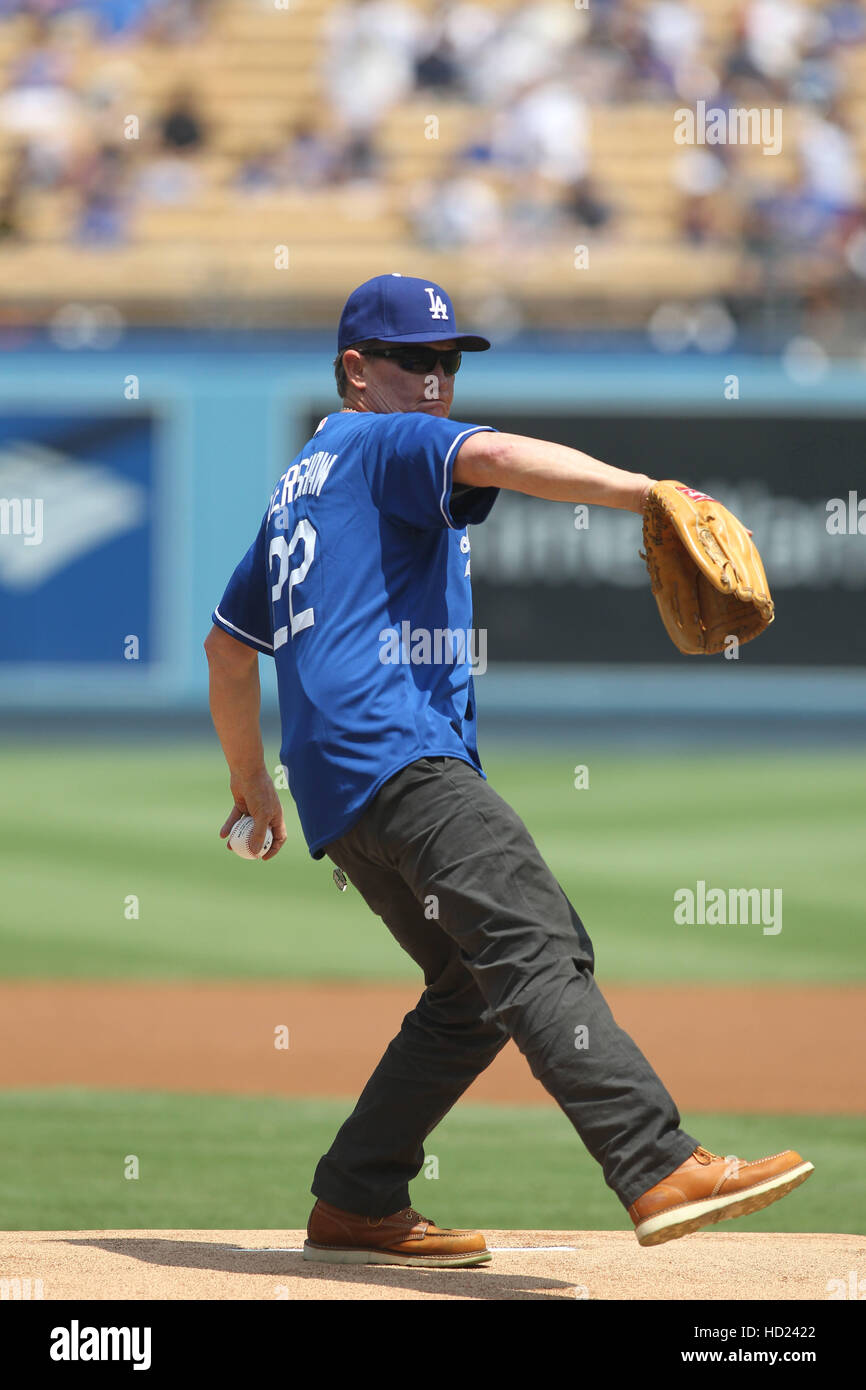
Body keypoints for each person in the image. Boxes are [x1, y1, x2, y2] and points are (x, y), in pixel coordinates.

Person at [204, 273, 813, 1268]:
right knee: (535, 944)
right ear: (357, 371)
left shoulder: (299, 484)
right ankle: (656, 1162)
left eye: (450, 363)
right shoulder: (382, 438)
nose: (436, 383)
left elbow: (227, 650)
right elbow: (490, 452)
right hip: (400, 754)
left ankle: (357, 1195)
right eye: (417, 362)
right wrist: (645, 492)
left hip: (338, 790)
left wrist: (252, 785)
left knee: (473, 985)